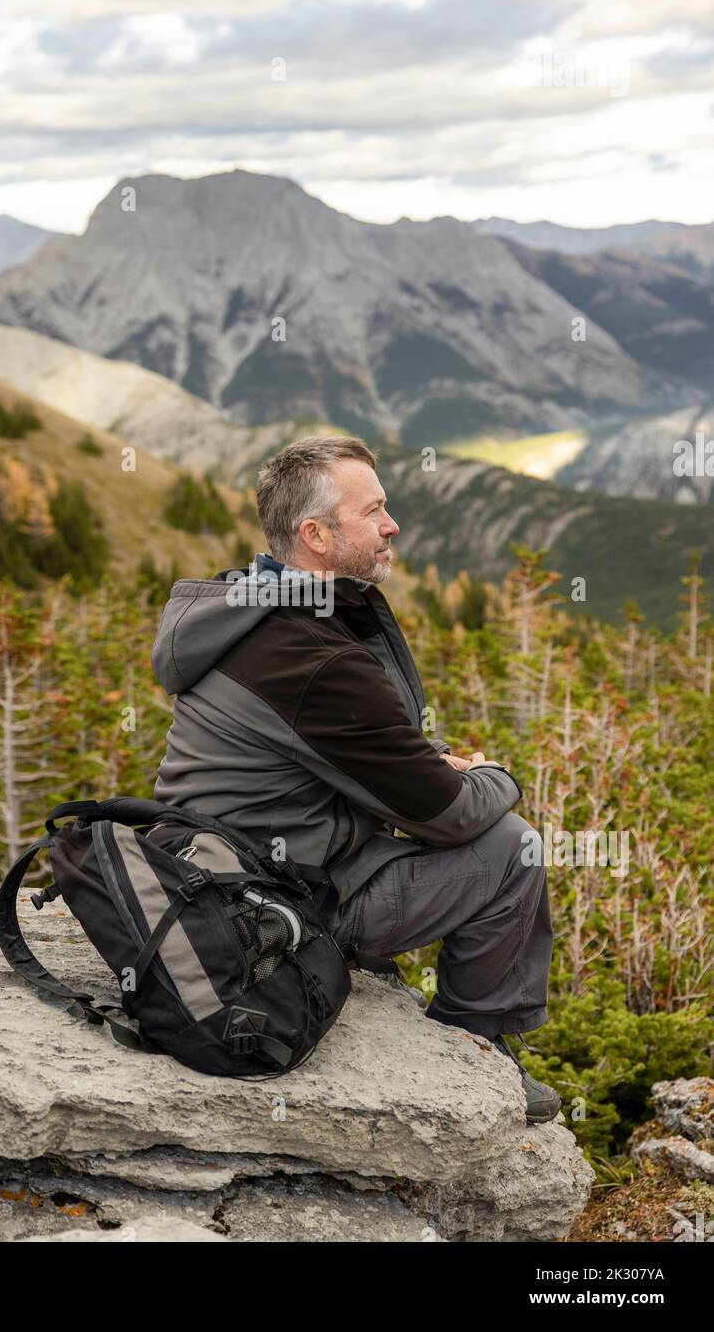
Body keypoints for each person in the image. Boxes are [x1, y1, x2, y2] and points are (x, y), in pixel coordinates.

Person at [150, 435, 560, 1123]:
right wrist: (490, 774)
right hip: (271, 907)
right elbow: (451, 816)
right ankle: (476, 1049)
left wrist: (421, 764)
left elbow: (337, 749)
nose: (391, 525)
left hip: (215, 875)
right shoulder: (308, 654)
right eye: (373, 511)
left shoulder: (245, 606)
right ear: (315, 535)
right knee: (508, 849)